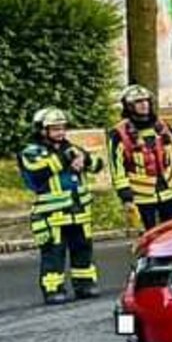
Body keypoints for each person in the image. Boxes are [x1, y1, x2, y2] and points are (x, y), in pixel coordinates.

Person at [17, 107, 101, 305]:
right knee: (54, 253)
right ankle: (53, 289)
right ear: (42, 130)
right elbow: (38, 170)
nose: (60, 133)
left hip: (78, 212)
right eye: (55, 129)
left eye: (62, 128)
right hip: (52, 215)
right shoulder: (31, 152)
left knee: (83, 249)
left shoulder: (72, 149)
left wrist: (85, 159)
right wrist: (67, 158)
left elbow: (97, 165)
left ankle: (85, 285)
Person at [109, 83, 172, 233]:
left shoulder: (162, 126)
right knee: (149, 237)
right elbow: (117, 167)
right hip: (142, 197)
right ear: (128, 106)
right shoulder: (119, 134)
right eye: (138, 102)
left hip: (169, 193)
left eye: (146, 101)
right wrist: (125, 196)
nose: (144, 105)